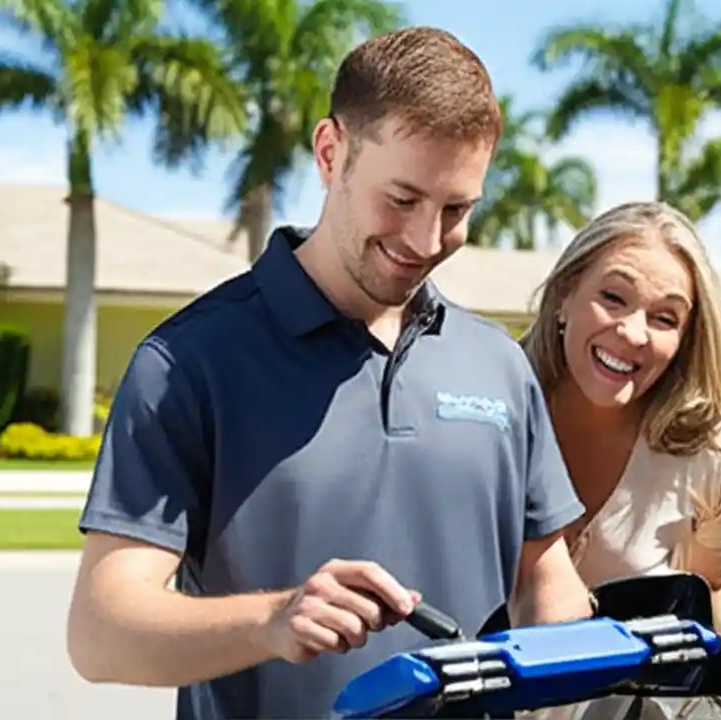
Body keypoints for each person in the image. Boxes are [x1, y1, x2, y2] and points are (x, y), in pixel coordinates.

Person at [65, 26, 592, 719]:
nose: (426, 241)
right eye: (401, 199)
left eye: (457, 209)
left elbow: (544, 580)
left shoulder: (499, 366)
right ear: (329, 152)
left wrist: (594, 649)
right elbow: (101, 634)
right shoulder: (188, 363)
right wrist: (273, 621)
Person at [521, 201, 721, 631]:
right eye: (613, 297)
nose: (633, 333)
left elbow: (709, 600)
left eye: (664, 318)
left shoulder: (717, 456)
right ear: (564, 296)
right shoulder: (489, 406)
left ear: (685, 341)